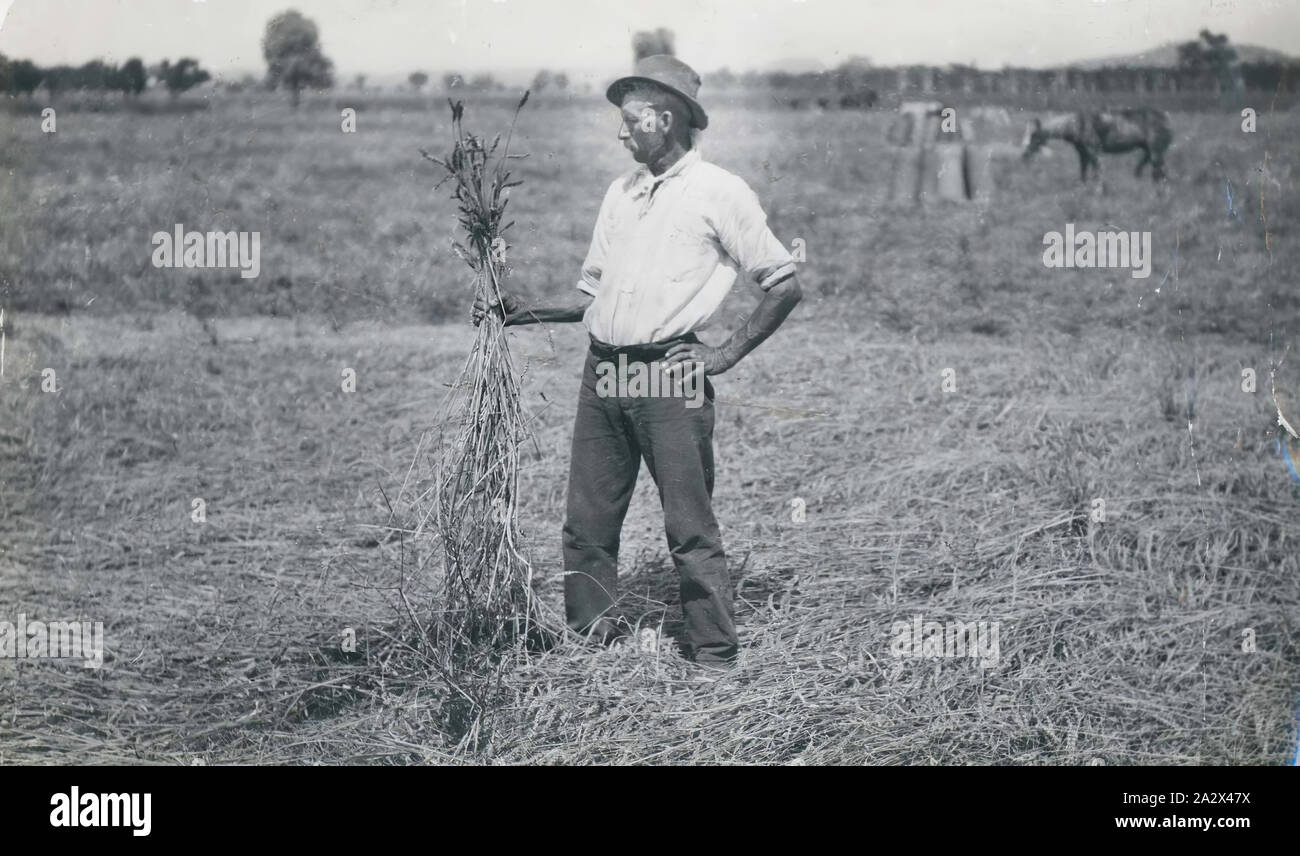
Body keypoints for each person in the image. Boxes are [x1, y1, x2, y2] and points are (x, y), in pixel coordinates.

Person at [473, 55, 802, 668]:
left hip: (668, 377)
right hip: (603, 374)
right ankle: (588, 644)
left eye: (629, 120)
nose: (619, 132)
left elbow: (783, 284)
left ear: (666, 118)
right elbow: (591, 296)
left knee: (689, 527)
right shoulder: (619, 195)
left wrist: (723, 355)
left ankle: (713, 656)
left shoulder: (720, 193)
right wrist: (524, 311)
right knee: (587, 523)